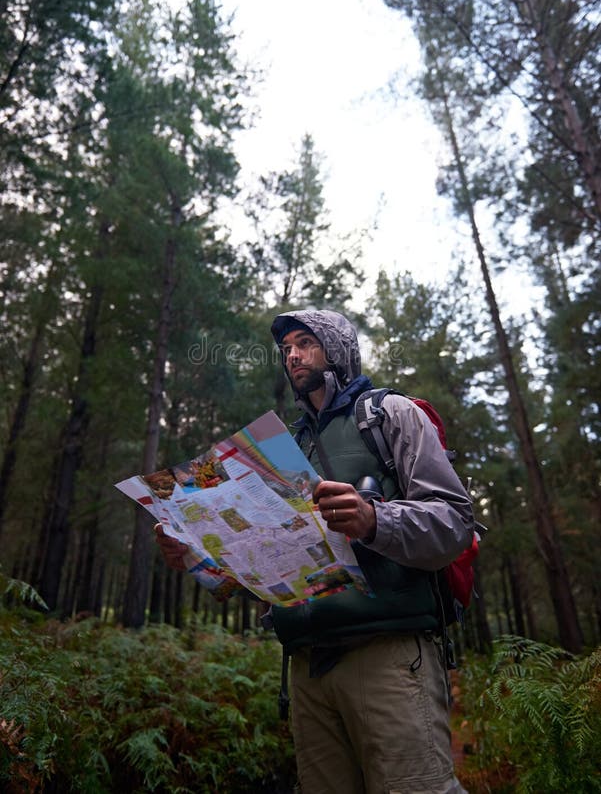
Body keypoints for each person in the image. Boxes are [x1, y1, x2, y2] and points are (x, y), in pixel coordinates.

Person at [156, 309, 474, 794]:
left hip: (387, 656)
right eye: (286, 349)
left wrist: (373, 520)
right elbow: (268, 559)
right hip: (306, 669)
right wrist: (199, 557)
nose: (293, 355)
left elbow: (454, 523)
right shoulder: (283, 447)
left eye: (305, 343)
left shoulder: (390, 415)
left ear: (338, 348)